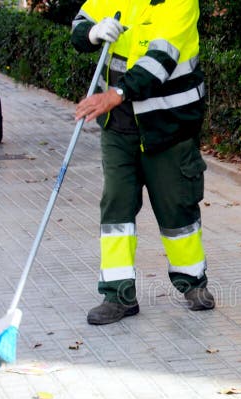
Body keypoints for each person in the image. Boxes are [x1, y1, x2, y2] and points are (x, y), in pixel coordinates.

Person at [71, 0, 214, 325]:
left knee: (177, 208)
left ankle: (192, 284)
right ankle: (117, 295)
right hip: (119, 127)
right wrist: (92, 33)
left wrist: (114, 94)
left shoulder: (181, 3)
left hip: (168, 125)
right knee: (116, 206)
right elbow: (78, 26)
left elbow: (159, 61)